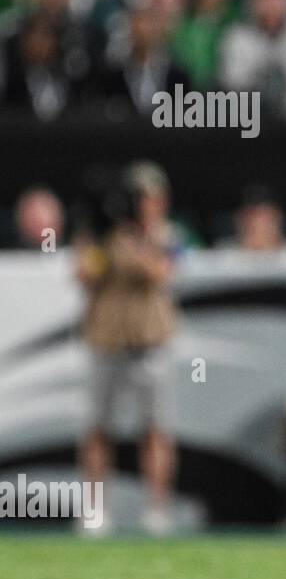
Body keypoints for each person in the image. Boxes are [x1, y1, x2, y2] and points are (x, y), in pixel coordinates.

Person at [76, 162, 180, 535]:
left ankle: (156, 509)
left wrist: (132, 243)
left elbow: (159, 272)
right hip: (106, 339)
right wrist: (106, 240)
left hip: (150, 341)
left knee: (154, 429)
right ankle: (94, 510)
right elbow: (85, 275)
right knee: (98, 428)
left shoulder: (167, 234)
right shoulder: (101, 234)